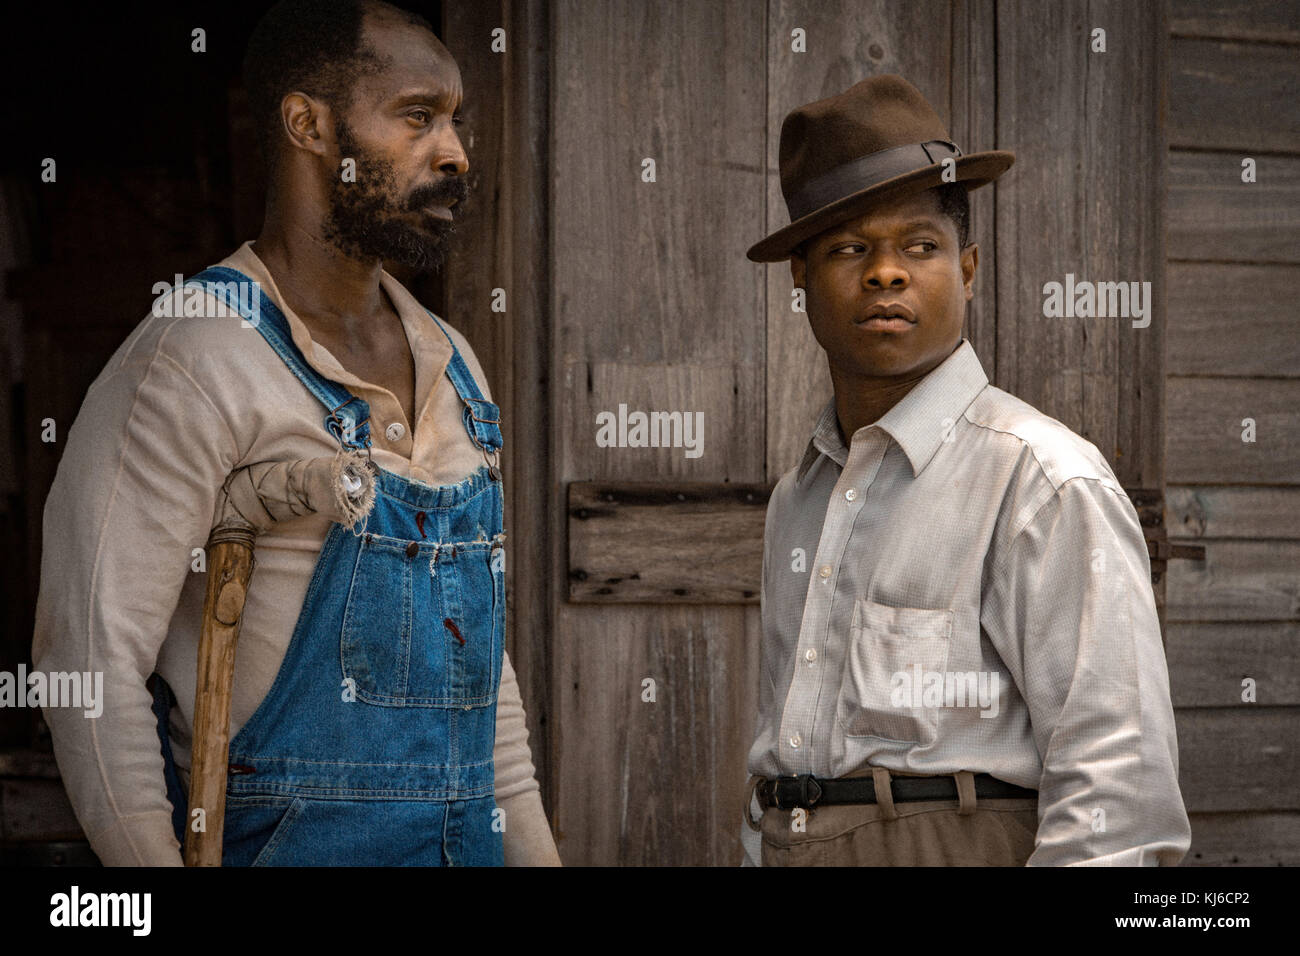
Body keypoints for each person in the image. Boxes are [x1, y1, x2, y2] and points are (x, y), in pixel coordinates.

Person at [32, 0, 560, 866]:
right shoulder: (193, 356)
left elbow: (485, 691)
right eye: (418, 116)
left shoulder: (455, 363)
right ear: (308, 125)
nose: (457, 152)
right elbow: (84, 665)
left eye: (456, 120)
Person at [740, 74, 1190, 866]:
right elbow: (783, 747)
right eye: (849, 248)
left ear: (969, 269)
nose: (886, 273)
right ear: (800, 277)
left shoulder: (1042, 482)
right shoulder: (799, 499)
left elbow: (1118, 795)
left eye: (920, 246)